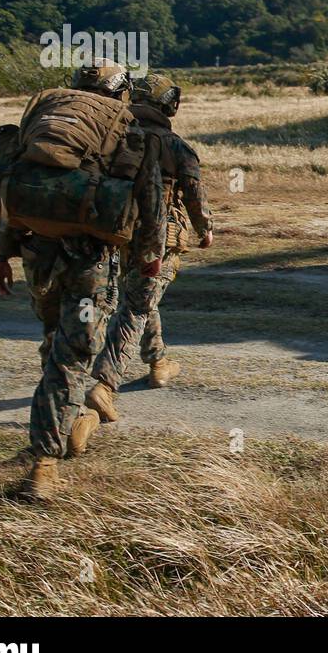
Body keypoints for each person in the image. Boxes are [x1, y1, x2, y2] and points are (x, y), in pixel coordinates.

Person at [0, 59, 164, 500]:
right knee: (70, 359)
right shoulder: (124, 127)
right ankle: (43, 465)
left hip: (36, 252)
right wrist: (149, 256)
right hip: (89, 259)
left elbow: (13, 182)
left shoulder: (46, 114)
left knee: (54, 343)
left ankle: (59, 425)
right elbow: (149, 195)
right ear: (121, 90)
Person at [90, 74, 212, 418]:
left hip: (118, 234)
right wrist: (206, 229)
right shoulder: (176, 146)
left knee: (141, 297)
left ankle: (158, 362)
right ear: (167, 104)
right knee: (136, 307)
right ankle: (105, 383)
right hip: (161, 239)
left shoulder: (114, 138)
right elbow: (194, 194)